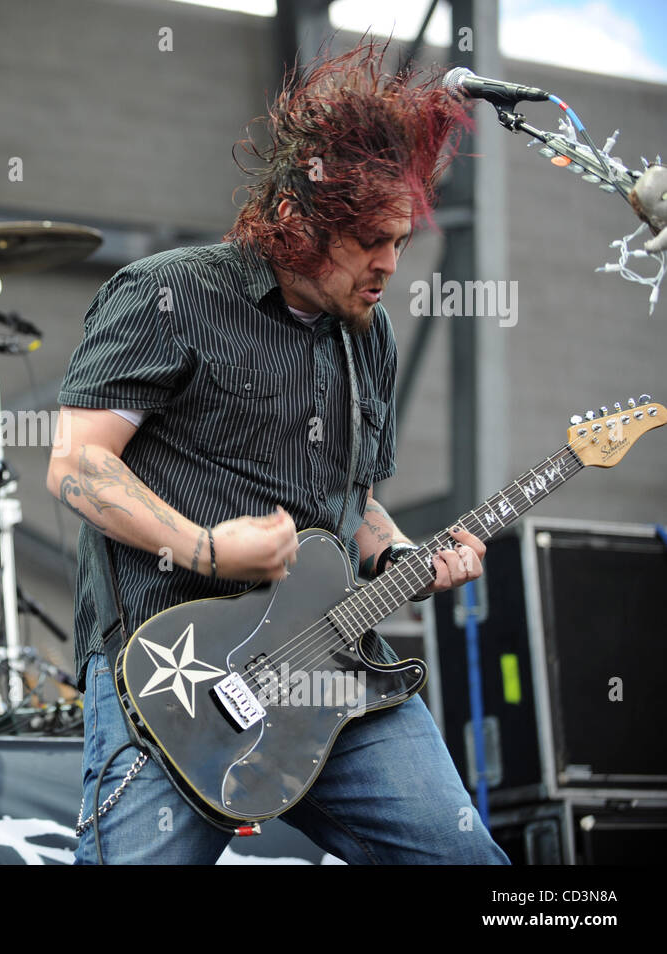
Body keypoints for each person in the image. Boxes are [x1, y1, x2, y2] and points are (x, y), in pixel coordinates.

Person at [47, 42, 509, 864]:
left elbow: (354, 498)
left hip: (333, 674)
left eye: (400, 242)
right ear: (298, 221)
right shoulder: (173, 292)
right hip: (176, 672)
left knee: (463, 859)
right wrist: (206, 547)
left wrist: (403, 553)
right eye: (370, 240)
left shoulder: (370, 336)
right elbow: (77, 466)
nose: (389, 266)